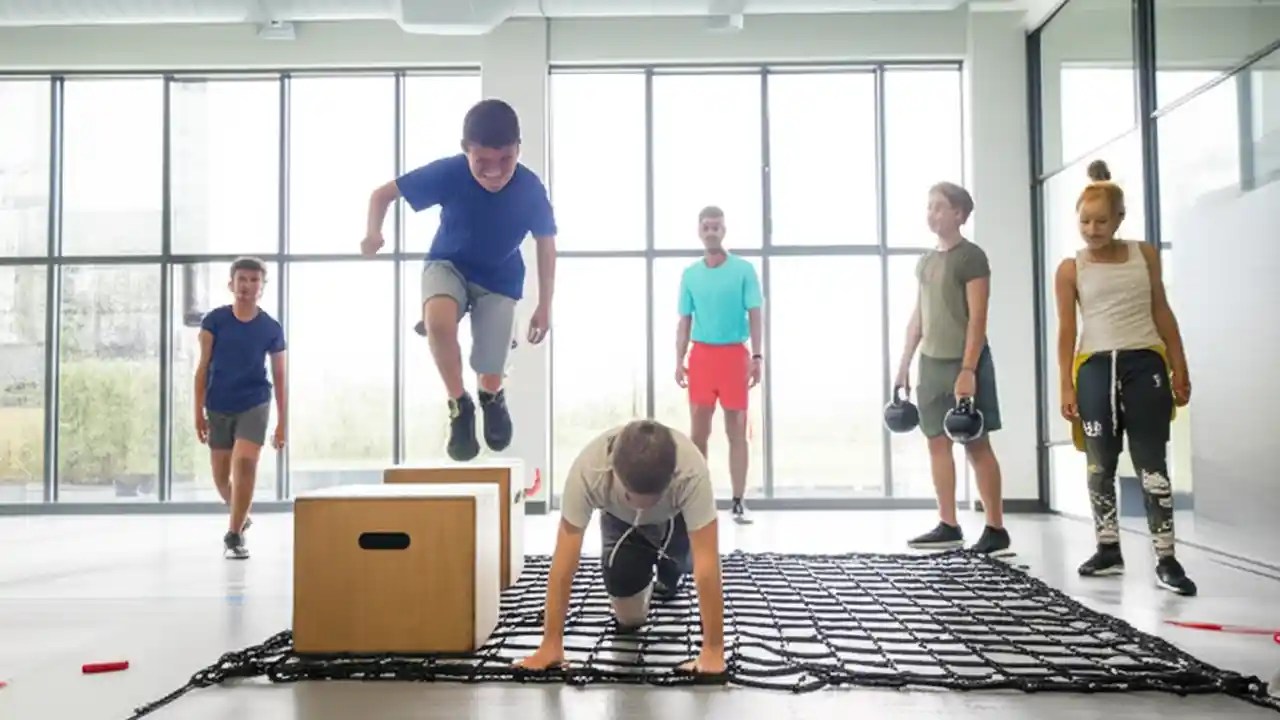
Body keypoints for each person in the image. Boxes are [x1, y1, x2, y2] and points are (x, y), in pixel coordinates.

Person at [361, 98, 557, 462]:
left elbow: (546, 245)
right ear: (465, 150)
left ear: (518, 150)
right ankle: (459, 406)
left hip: (499, 277)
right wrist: (374, 233)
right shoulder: (450, 172)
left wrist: (545, 306)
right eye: (482, 161)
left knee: (489, 367)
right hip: (447, 264)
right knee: (437, 322)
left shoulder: (530, 188)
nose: (495, 172)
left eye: (506, 160)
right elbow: (382, 195)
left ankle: (491, 396)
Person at [1054, 160, 1196, 596]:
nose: (1092, 229)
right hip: (1094, 367)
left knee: (1151, 462)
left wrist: (1179, 364)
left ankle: (1166, 558)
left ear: (1119, 218)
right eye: (1084, 220)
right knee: (1100, 462)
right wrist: (1065, 384)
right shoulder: (1070, 268)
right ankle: (1108, 548)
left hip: (1144, 364)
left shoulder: (1144, 254)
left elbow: (1161, 311)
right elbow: (1066, 331)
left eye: (1101, 220)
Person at [515, 419, 726, 676]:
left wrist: (714, 649)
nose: (642, 507)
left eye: (652, 500)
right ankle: (645, 569)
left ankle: (672, 567)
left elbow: (707, 564)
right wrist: (550, 644)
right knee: (630, 618)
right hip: (623, 523)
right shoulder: (589, 470)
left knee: (686, 566)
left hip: (676, 520)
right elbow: (565, 561)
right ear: (614, 472)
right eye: (631, 497)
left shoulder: (691, 470)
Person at [895, 182, 1011, 557]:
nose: (932, 213)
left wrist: (968, 369)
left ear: (959, 214)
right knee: (936, 444)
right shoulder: (925, 262)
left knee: (977, 445)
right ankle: (948, 525)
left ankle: (996, 530)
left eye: (940, 207)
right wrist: (903, 366)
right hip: (930, 364)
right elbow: (919, 317)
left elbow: (978, 318)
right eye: (929, 207)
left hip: (966, 365)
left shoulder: (971, 258)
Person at [194, 257, 287, 560]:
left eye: (254, 280)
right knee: (221, 479)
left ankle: (234, 535)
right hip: (218, 403)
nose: (247, 285)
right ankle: (240, 513)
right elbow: (202, 368)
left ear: (262, 287)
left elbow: (281, 375)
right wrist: (197, 412)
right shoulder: (214, 321)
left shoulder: (271, 328)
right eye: (242, 279)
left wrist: (282, 422)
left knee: (246, 464)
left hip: (254, 401)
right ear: (231, 284)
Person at [675, 206, 763, 524]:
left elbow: (755, 314)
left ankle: (739, 500)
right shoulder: (690, 275)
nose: (711, 231)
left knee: (736, 430)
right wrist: (678, 358)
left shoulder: (743, 270)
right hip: (701, 357)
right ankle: (699, 502)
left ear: (724, 230)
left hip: (733, 356)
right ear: (700, 231)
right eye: (706, 227)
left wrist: (757, 356)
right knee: (698, 432)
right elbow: (684, 320)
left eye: (716, 227)